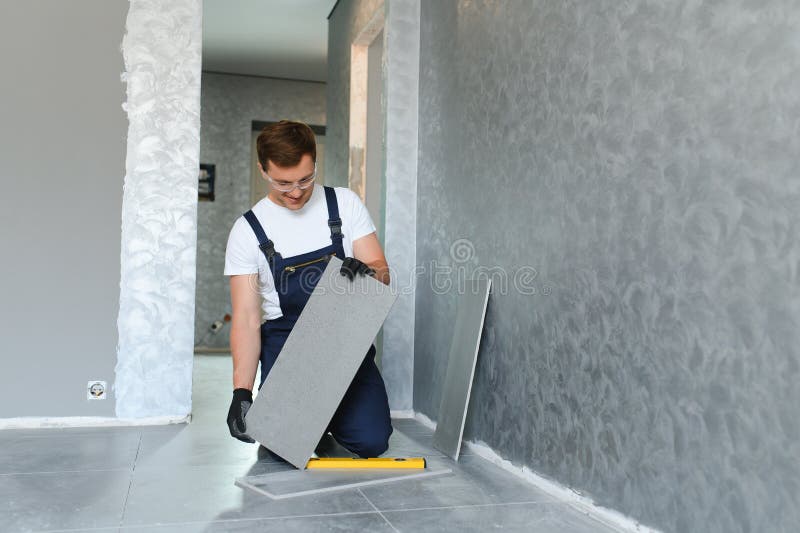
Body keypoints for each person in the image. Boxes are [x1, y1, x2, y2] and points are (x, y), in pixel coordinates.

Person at [223, 120, 393, 458]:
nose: (297, 191)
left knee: (372, 442)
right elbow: (245, 317)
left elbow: (383, 273)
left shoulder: (342, 204)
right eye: (283, 183)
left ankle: (325, 421)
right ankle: (308, 422)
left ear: (315, 163)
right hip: (287, 347)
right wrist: (241, 393)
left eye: (305, 179)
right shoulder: (247, 231)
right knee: (281, 446)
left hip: (345, 342)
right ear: (263, 170)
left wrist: (367, 274)